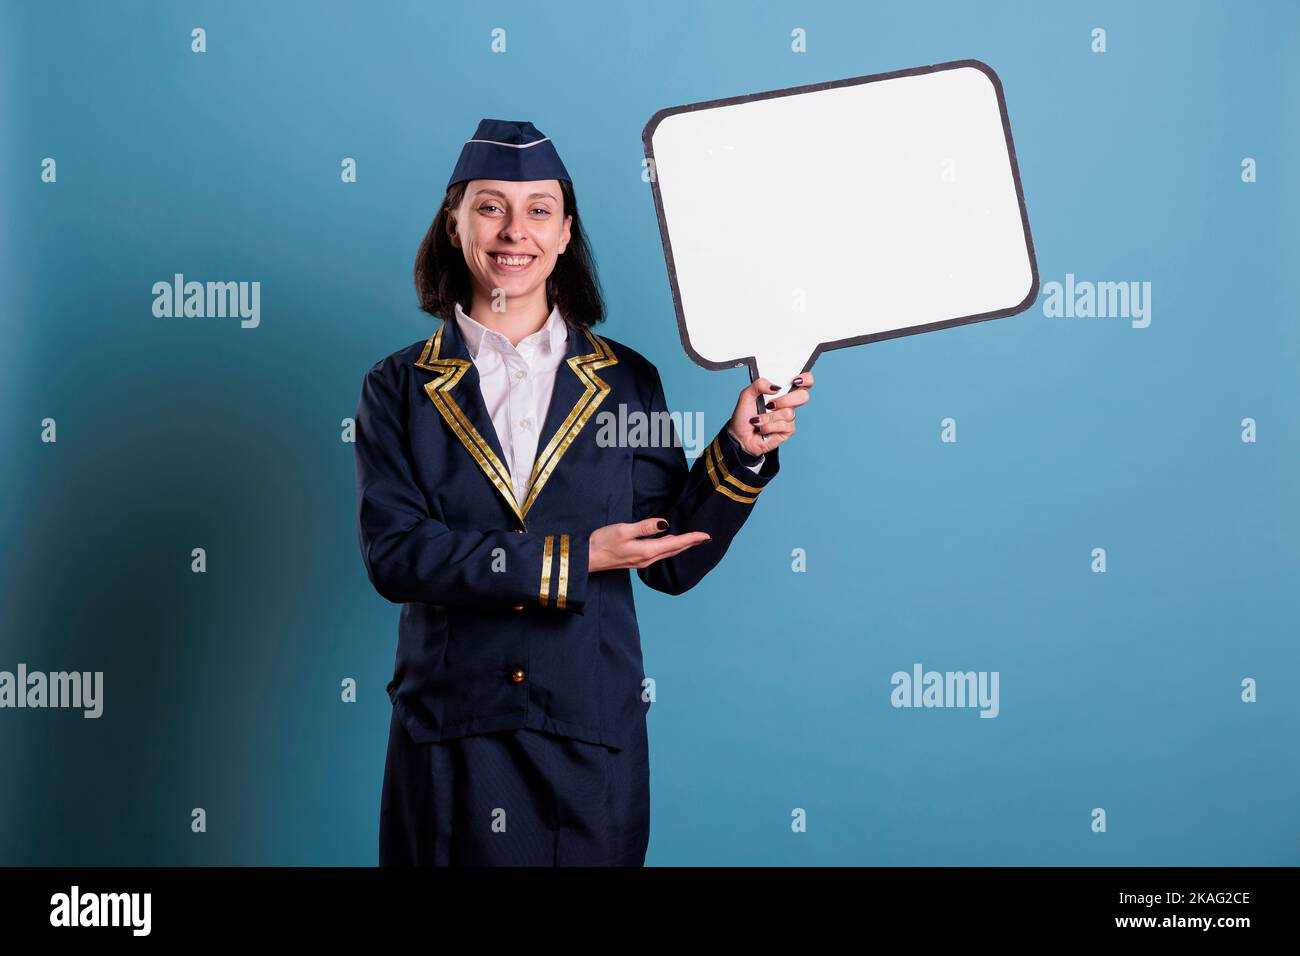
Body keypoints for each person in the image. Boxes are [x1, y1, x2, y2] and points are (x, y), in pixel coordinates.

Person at [353, 118, 814, 866]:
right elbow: (398, 556)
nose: (514, 231)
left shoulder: (627, 382)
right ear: (453, 221)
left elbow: (668, 560)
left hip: (588, 739)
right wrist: (574, 557)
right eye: (490, 206)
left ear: (566, 232)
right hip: (448, 734)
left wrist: (739, 453)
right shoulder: (397, 387)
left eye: (538, 209)